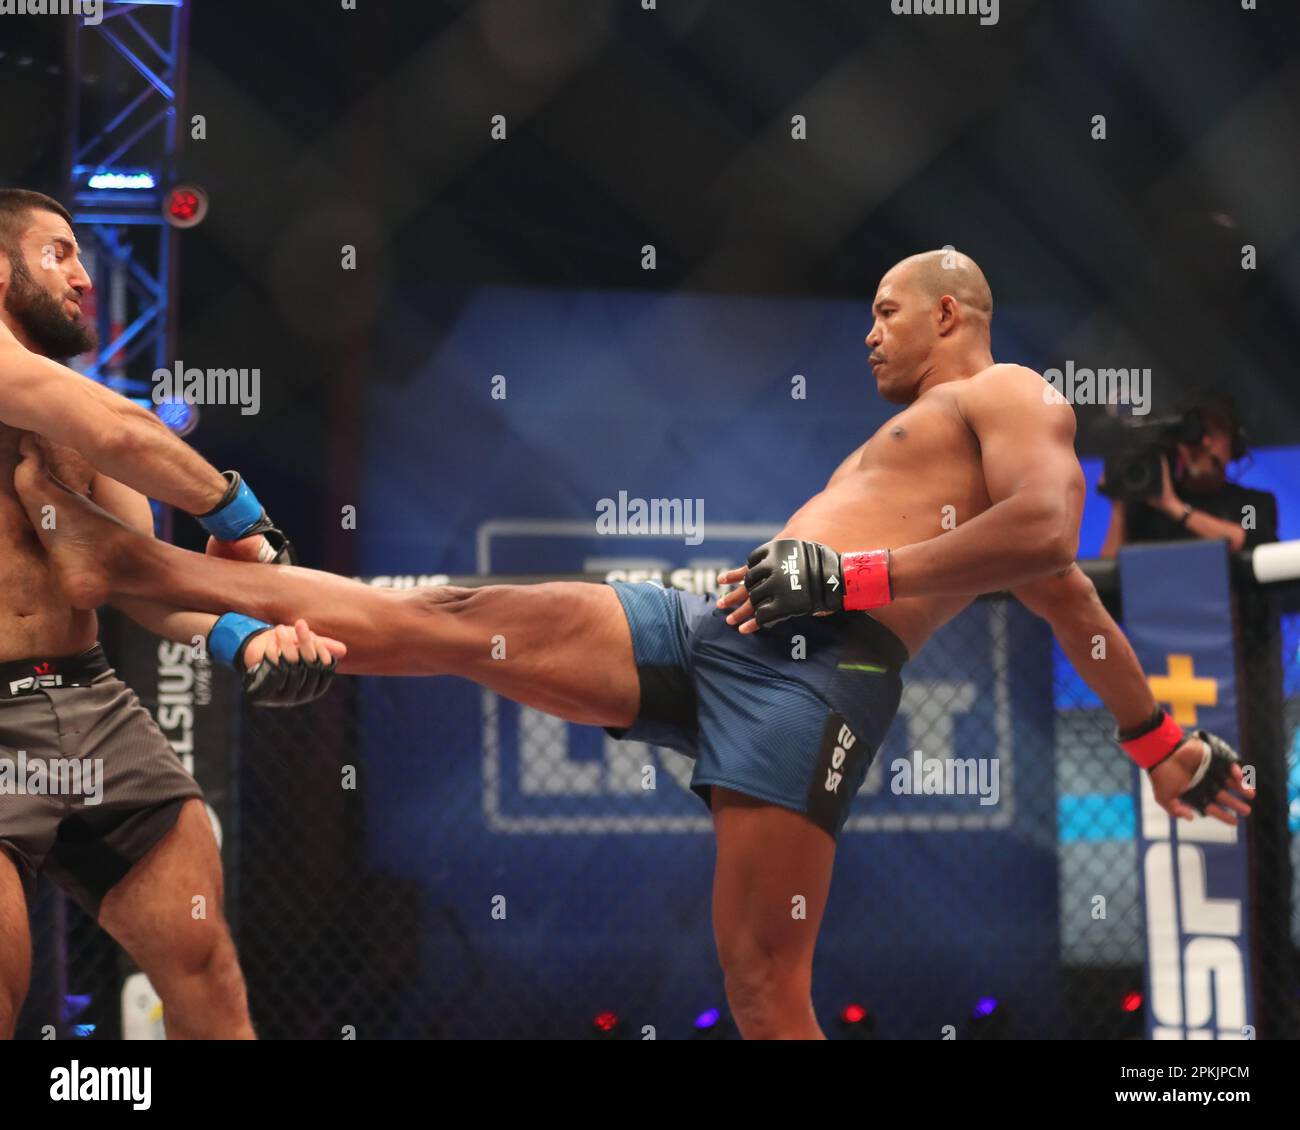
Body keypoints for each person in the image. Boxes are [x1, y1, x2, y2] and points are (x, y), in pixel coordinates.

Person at [12, 249, 1254, 1040]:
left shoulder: (1013, 394)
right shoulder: (924, 431)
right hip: (712, 621)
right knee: (452, 623)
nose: (865, 334)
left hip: (818, 678)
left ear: (948, 311)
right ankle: (141, 567)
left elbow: (1052, 543)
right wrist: (1154, 738)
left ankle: (142, 562)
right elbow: (1067, 598)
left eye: (884, 314)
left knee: (763, 989)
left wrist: (854, 572)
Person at [0, 188, 343, 1040]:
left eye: (81, 255)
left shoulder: (78, 413)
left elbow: (141, 583)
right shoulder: (90, 411)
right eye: (58, 253)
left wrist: (246, 640)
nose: (83, 276)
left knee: (204, 968)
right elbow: (123, 429)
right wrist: (245, 525)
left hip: (91, 701)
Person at [1101, 395, 1278, 556]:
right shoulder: (1149, 510)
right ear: (1179, 446)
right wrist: (1120, 506)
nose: (1205, 443)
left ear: (1235, 444)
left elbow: (1251, 544)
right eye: (1195, 434)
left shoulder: (1252, 505)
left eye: (1216, 432)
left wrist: (1176, 508)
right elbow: (1109, 578)